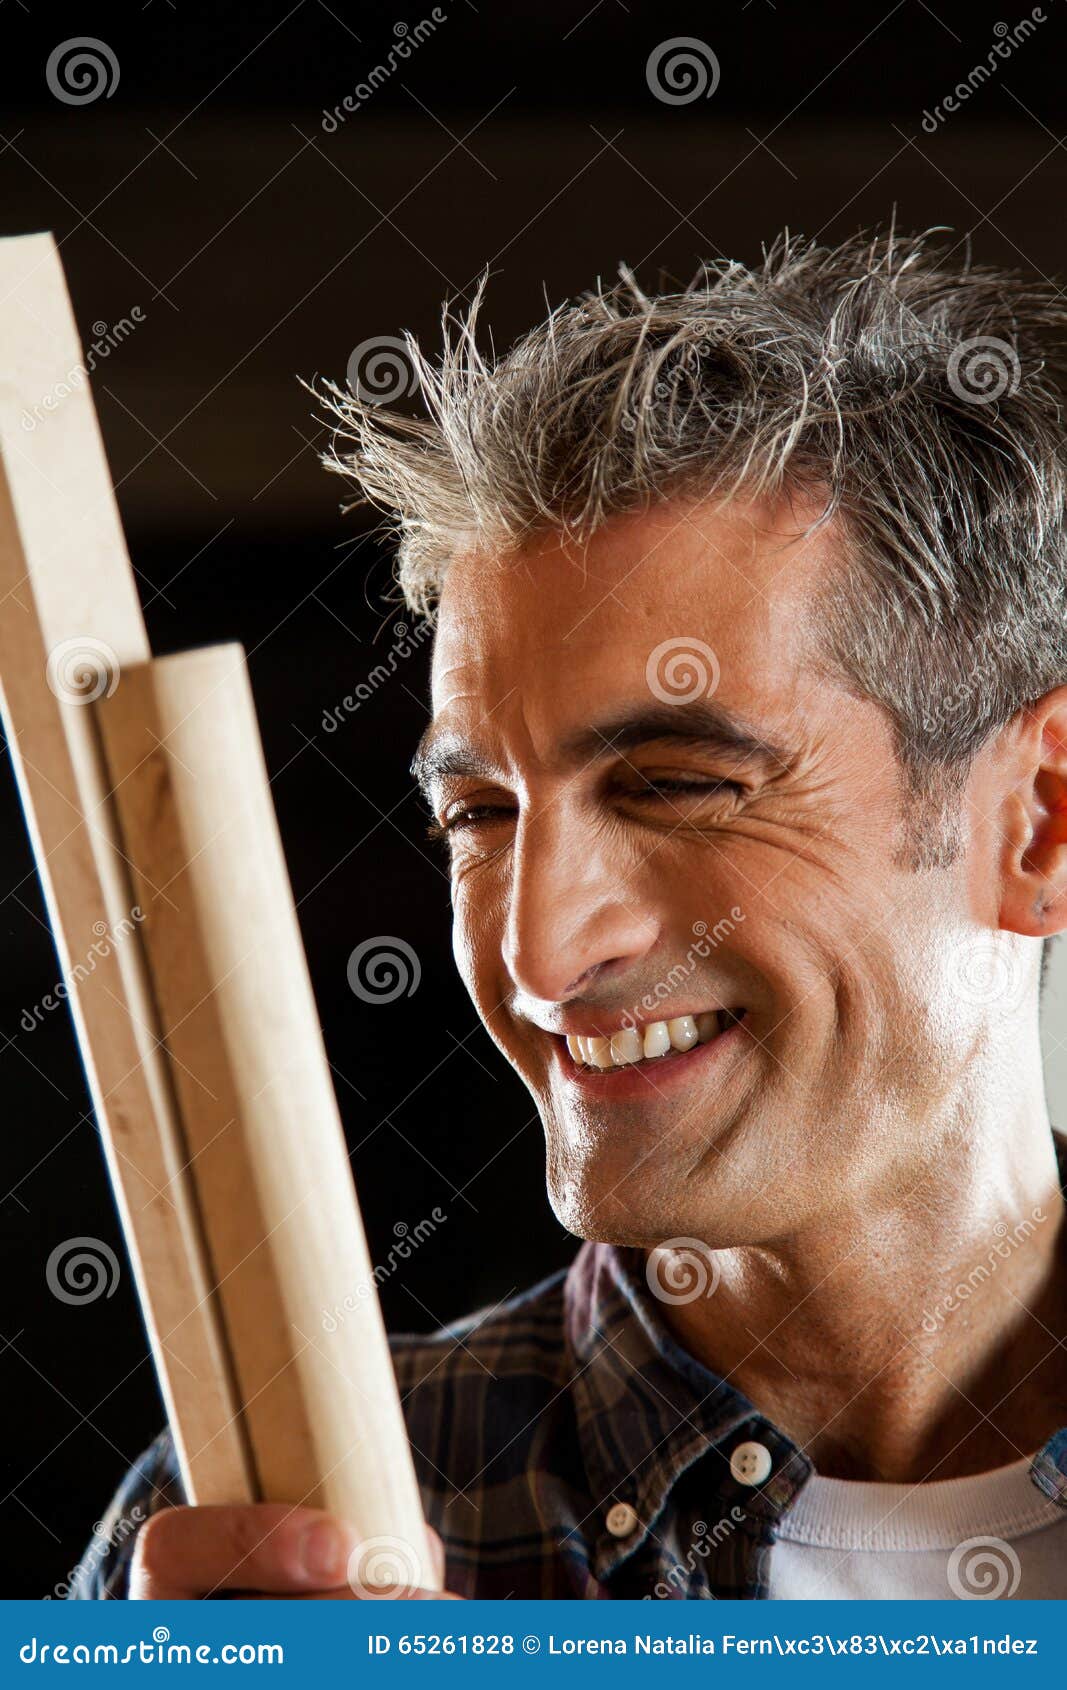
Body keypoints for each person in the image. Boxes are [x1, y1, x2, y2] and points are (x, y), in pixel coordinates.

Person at [72, 228, 1067, 1601]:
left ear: (1038, 823)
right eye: (480, 814)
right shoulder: (254, 1540)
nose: (538, 954)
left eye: (674, 785)